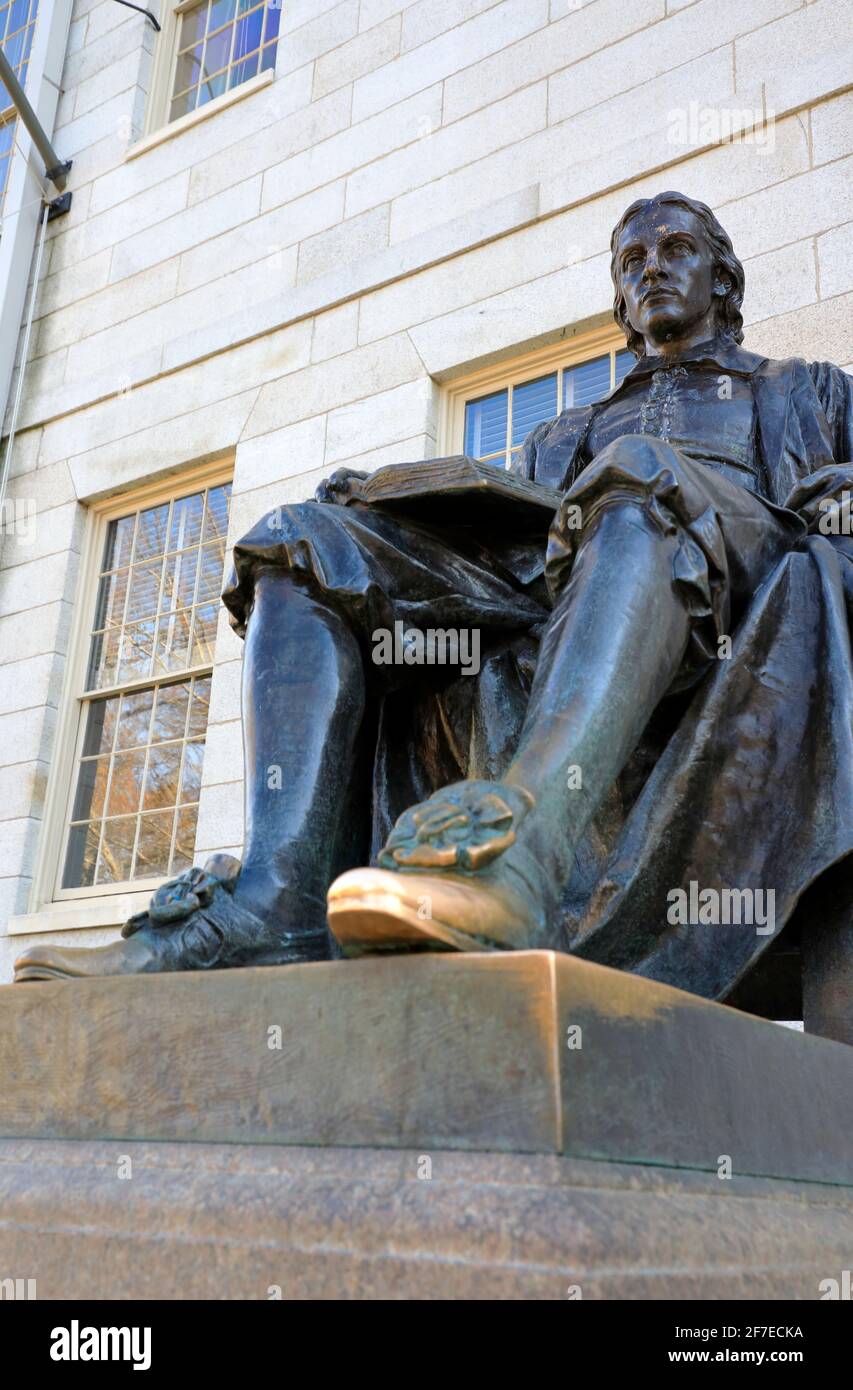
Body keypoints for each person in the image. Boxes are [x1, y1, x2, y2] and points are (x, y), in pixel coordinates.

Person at [16, 193, 853, 1039]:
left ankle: (521, 850)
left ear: (722, 274)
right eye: (631, 262)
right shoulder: (564, 435)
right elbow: (529, 556)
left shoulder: (804, 394)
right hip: (573, 618)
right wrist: (400, 515)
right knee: (304, 541)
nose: (652, 269)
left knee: (640, 474)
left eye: (675, 249)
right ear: (619, 302)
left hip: (734, 620)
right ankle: (278, 904)